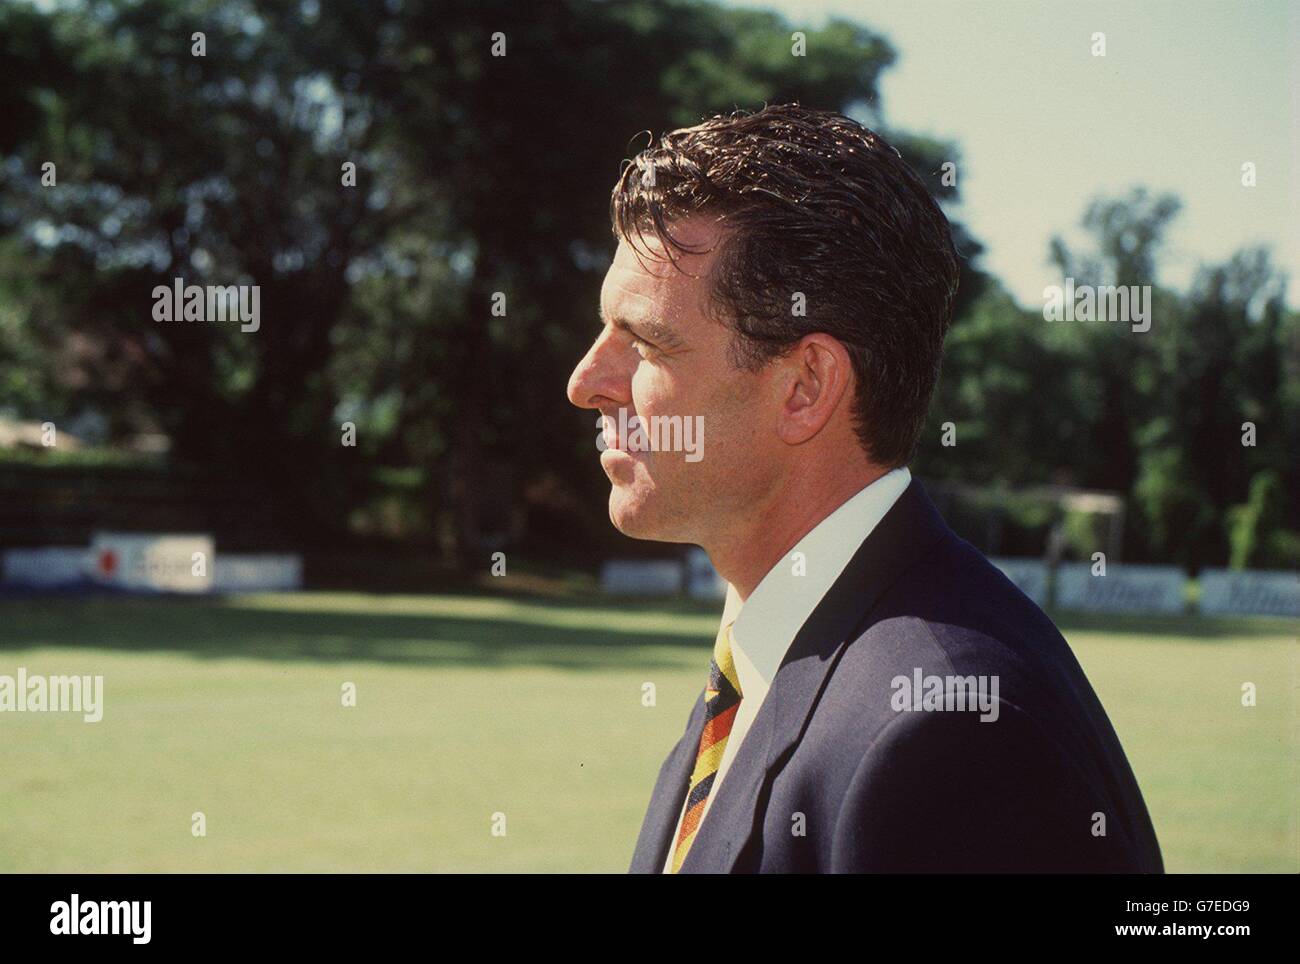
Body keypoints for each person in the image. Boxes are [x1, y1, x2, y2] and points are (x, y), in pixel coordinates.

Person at [565, 104, 1163, 873]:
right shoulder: (773, 658)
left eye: (646, 341)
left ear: (805, 387)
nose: (586, 383)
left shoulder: (946, 730)